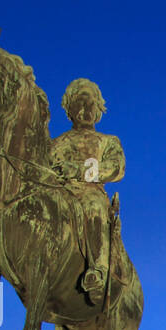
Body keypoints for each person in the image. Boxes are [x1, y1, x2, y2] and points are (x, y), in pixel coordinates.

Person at [50, 78, 125, 304]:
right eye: (78, 105)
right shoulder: (56, 144)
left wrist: (80, 170)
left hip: (90, 193)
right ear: (69, 109)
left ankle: (97, 271)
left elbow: (116, 168)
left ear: (98, 108)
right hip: (60, 194)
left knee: (93, 206)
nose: (85, 110)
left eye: (90, 104)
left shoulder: (107, 141)